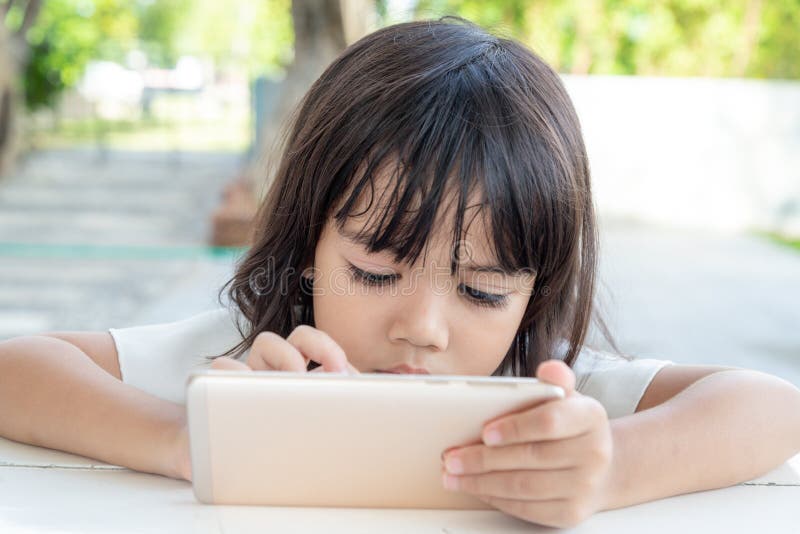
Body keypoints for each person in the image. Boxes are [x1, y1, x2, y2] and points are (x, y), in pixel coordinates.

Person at [1, 17, 798, 529]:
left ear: (534, 295)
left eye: (483, 290)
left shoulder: (544, 399)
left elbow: (774, 409)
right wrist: (193, 440)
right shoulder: (249, 369)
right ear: (306, 245)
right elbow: (17, 370)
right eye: (376, 273)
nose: (422, 327)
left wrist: (610, 466)